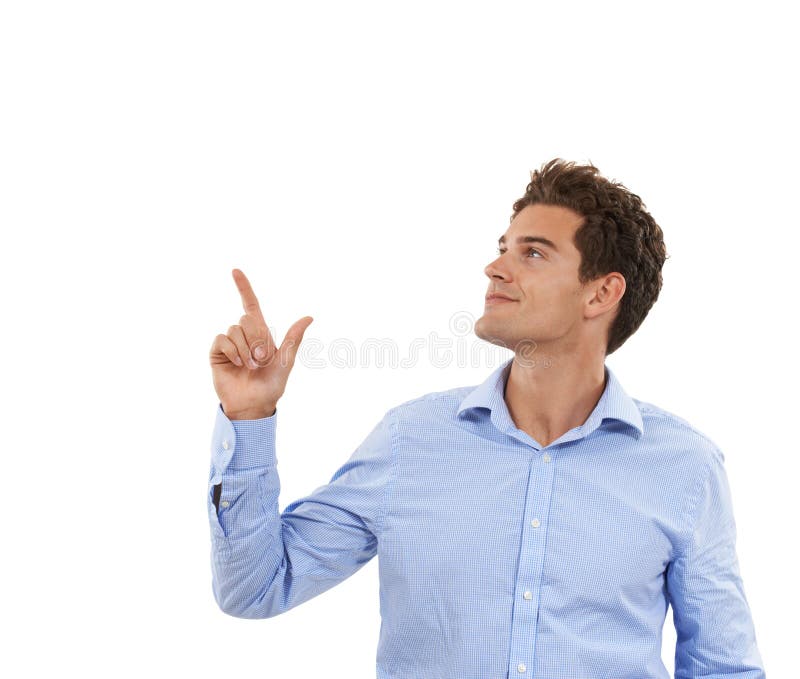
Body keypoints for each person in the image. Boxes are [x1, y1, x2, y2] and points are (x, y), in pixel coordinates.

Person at [206, 158, 766, 678]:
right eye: (504, 248)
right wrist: (249, 414)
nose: (494, 267)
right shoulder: (412, 440)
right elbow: (255, 588)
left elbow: (725, 668)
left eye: (534, 253)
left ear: (601, 293)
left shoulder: (685, 467)